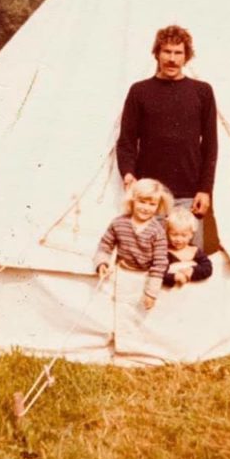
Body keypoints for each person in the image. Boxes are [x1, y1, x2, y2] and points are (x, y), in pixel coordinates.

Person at [116, 25, 218, 248]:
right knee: (149, 262)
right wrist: (128, 174)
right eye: (167, 52)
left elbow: (210, 146)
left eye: (178, 53)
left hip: (189, 197)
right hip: (150, 198)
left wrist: (205, 190)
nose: (172, 59)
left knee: (187, 263)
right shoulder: (139, 91)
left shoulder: (202, 92)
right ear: (157, 54)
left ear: (186, 56)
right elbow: (126, 141)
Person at [93, 178, 173, 310]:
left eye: (152, 204)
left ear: (158, 206)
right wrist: (102, 263)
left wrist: (151, 293)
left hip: (145, 276)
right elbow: (105, 245)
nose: (146, 208)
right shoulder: (118, 223)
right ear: (132, 201)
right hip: (122, 273)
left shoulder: (157, 231)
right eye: (142, 202)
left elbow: (160, 263)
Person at [162, 206, 213, 288]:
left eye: (184, 235)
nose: (178, 239)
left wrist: (193, 270)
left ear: (191, 234)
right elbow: (158, 274)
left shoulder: (195, 251)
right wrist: (174, 277)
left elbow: (208, 268)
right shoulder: (165, 253)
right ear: (167, 233)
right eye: (174, 234)